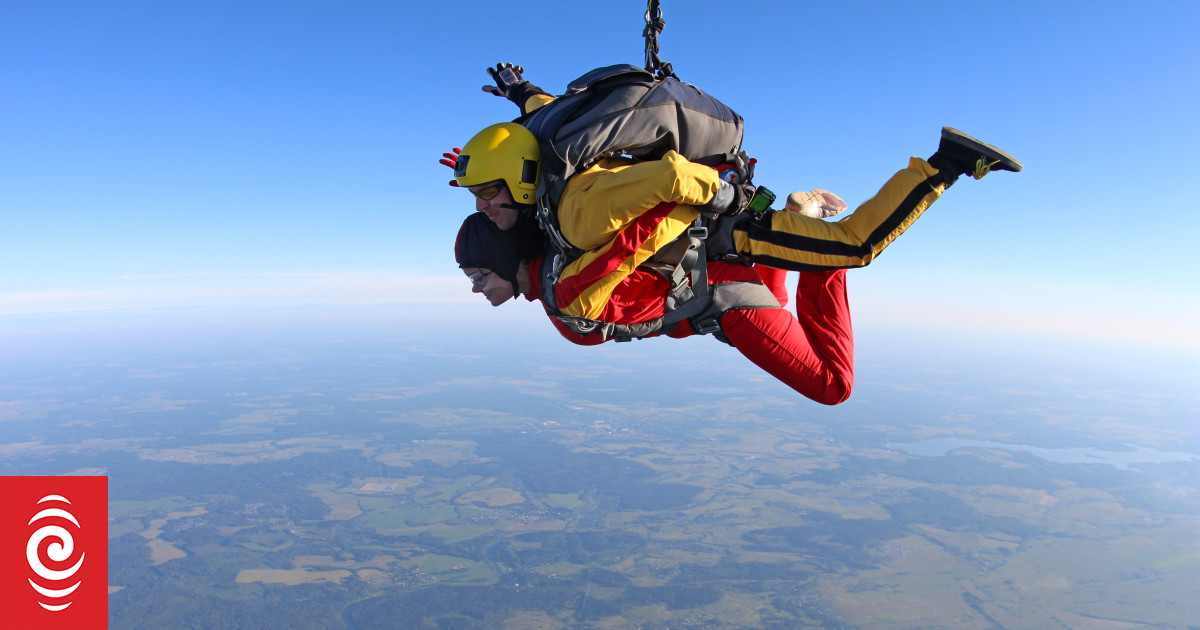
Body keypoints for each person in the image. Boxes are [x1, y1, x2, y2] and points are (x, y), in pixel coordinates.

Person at [444, 64, 1022, 322]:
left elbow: (671, 179)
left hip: (730, 222)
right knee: (803, 246)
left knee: (855, 247)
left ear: (519, 177)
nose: (483, 206)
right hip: (722, 208)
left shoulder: (575, 210)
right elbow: (548, 115)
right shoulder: (551, 164)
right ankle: (800, 207)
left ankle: (946, 163)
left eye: (489, 192)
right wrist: (523, 91)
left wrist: (726, 198)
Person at [455, 211, 857, 405]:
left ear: (503, 261)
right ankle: (799, 218)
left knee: (832, 387)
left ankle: (829, 257)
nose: (476, 288)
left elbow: (631, 245)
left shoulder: (565, 290)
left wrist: (695, 197)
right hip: (717, 283)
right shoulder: (556, 268)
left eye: (479, 275)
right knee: (776, 301)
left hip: (724, 299)